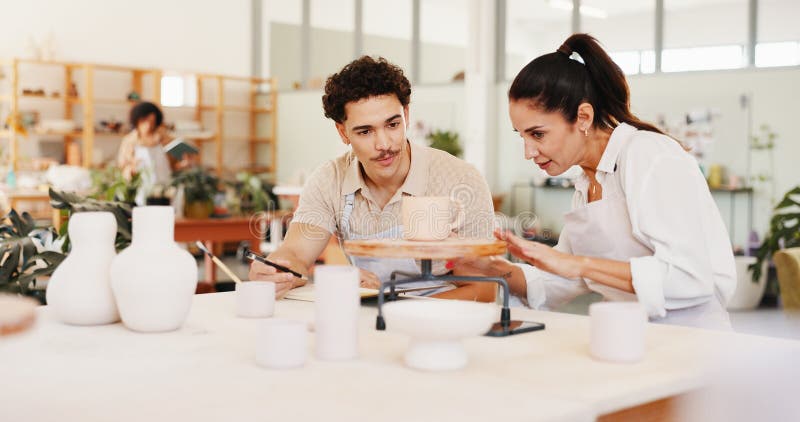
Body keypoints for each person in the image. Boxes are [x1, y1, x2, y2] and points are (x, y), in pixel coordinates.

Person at [451, 34, 736, 330]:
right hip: (628, 336)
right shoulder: (586, 185)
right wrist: (497, 269)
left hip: (692, 341)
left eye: (537, 134)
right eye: (521, 136)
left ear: (583, 117)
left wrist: (580, 265)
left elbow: (690, 277)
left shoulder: (648, 155)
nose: (528, 152)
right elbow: (562, 279)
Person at [248, 56, 496, 301]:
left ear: (406, 116)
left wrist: (390, 303)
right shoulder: (329, 180)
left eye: (392, 125)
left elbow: (484, 290)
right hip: (370, 323)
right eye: (365, 131)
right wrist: (277, 271)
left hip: (447, 325)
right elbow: (296, 254)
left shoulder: (460, 180)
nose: (384, 144)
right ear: (343, 132)